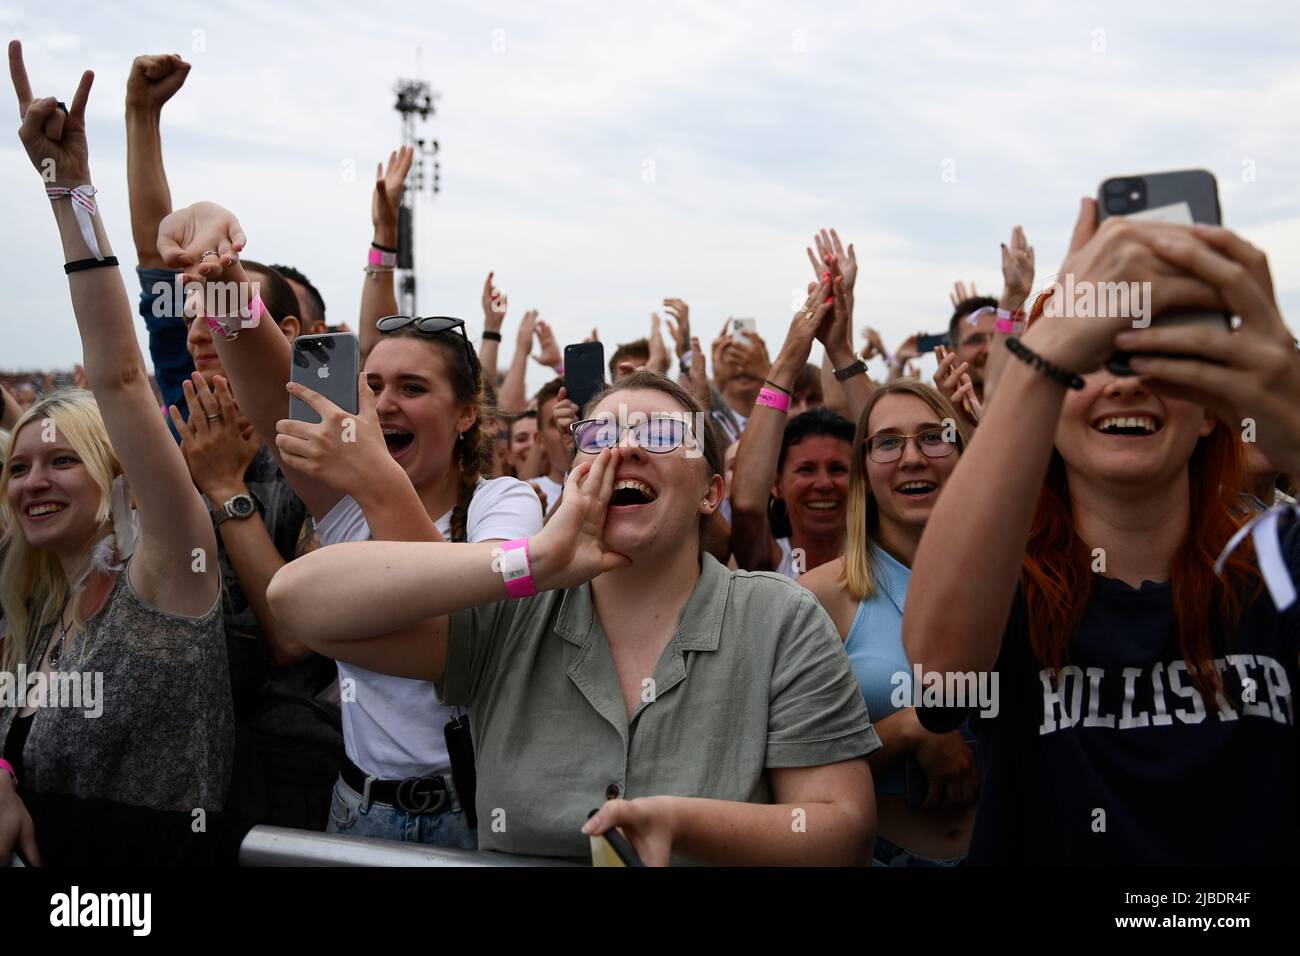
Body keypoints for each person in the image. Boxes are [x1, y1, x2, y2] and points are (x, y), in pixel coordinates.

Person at [265, 365, 880, 865]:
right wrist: (532, 560)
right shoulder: (513, 608)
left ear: (711, 492)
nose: (628, 447)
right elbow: (297, 601)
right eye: (600, 437)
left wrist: (682, 825)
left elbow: (840, 829)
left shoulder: (780, 618)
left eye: (664, 434)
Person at [904, 200, 1300, 864]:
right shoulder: (1002, 581)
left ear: (1211, 412)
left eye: (1158, 357)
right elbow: (942, 681)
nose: (1126, 385)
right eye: (1094, 359)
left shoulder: (1275, 563)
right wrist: (1038, 355)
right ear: (1047, 405)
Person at [158, 200, 545, 848]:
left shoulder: (504, 504)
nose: (387, 402)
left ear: (466, 416)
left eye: (414, 388)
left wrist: (372, 477)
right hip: (356, 808)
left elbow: (457, 634)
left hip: (474, 810)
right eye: (374, 385)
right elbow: (273, 389)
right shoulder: (344, 506)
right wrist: (228, 295)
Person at [0, 42, 233, 863]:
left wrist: (70, 192)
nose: (34, 481)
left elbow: (126, 375)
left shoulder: (170, 572)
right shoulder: (31, 614)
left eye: (62, 461)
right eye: (19, 464)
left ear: (118, 474)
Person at [800, 381, 977, 866]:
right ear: (863, 473)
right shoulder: (814, 599)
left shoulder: (1022, 583)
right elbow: (784, 777)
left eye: (933, 436)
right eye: (888, 443)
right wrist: (906, 731)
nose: (913, 457)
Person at [730, 263, 865, 578]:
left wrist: (840, 348)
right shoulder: (767, 561)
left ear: (862, 480)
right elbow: (748, 506)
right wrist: (788, 360)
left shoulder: (883, 554)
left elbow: (878, 433)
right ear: (774, 484)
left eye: (838, 469)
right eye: (805, 469)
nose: (823, 484)